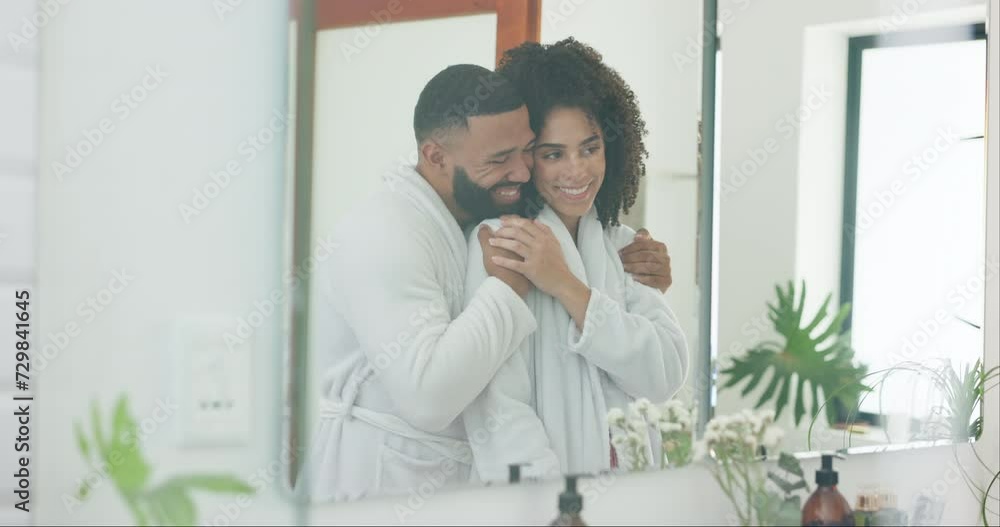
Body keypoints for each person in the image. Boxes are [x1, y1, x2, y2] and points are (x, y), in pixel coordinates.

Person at [295, 63, 674, 502]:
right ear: (436, 156)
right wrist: (508, 289)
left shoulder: (500, 219)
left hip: (462, 490)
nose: (521, 171)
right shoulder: (385, 232)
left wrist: (589, 286)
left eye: (526, 150)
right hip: (380, 481)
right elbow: (430, 398)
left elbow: (663, 369)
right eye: (501, 159)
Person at [460, 38, 690, 482]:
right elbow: (499, 410)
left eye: (590, 147)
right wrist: (555, 504)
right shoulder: (502, 244)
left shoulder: (622, 245)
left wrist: (566, 285)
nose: (577, 171)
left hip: (631, 497)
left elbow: (664, 374)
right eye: (553, 154)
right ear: (524, 158)